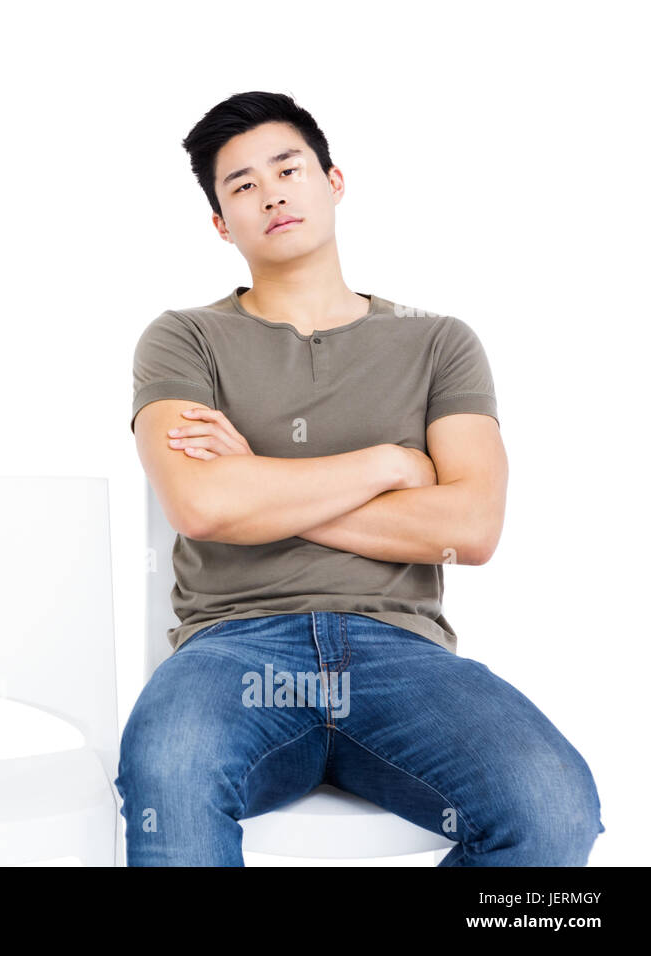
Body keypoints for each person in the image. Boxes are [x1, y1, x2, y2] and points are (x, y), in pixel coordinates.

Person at [115, 92, 604, 865]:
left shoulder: (439, 343)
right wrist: (389, 467)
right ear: (220, 223)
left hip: (400, 650)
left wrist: (258, 483)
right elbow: (203, 505)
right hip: (232, 647)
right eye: (241, 185)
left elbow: (470, 529)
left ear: (334, 181)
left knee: (552, 807)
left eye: (288, 168)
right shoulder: (184, 338)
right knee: (168, 781)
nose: (271, 191)